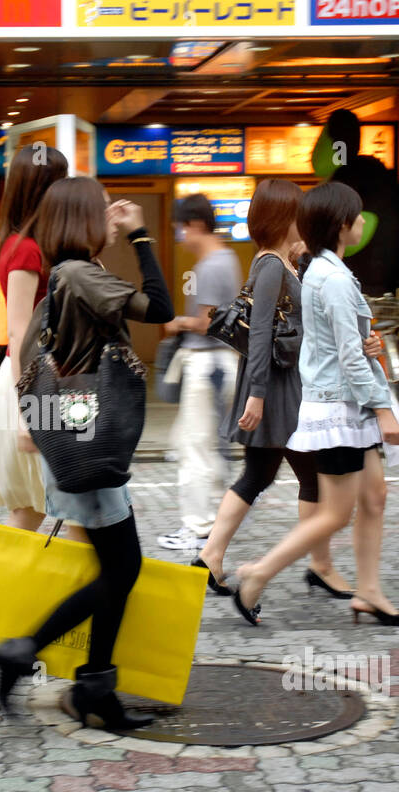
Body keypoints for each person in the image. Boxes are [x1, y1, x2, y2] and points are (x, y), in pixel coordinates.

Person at [0, 180, 174, 728]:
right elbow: (160, 307)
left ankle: (94, 688)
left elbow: (27, 363)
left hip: (76, 432)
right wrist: (140, 236)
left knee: (118, 567)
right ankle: (23, 652)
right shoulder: (80, 276)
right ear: (83, 220)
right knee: (122, 568)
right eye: (102, 212)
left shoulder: (62, 280)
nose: (110, 218)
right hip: (90, 437)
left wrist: (36, 427)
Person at [231, 182, 399, 627]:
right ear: (342, 225)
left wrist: (365, 344)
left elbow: (343, 343)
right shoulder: (329, 277)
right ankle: (258, 573)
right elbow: (348, 356)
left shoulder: (327, 271)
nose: (363, 222)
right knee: (336, 512)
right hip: (340, 410)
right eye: (357, 216)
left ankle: (368, 590)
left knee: (375, 495)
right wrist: (384, 408)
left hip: (347, 407)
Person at [194, 179, 357, 602]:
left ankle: (210, 557)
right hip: (280, 392)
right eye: (296, 213)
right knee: (315, 479)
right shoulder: (270, 266)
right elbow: (263, 329)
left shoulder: (280, 262)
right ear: (283, 219)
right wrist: (258, 395)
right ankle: (319, 566)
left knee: (259, 474)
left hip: (277, 388)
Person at [0, 145, 69, 532]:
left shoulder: (31, 245)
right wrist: (27, 411)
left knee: (40, 507)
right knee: (65, 502)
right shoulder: (27, 251)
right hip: (38, 385)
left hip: (47, 382)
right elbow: (17, 331)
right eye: (59, 182)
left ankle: (4, 590)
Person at [155, 194, 240, 553]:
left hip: (206, 367)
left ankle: (198, 527)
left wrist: (177, 323)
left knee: (196, 448)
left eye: (180, 228)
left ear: (195, 225)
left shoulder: (210, 265)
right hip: (221, 365)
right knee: (202, 444)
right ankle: (215, 516)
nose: (180, 236)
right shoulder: (228, 258)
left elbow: (207, 324)